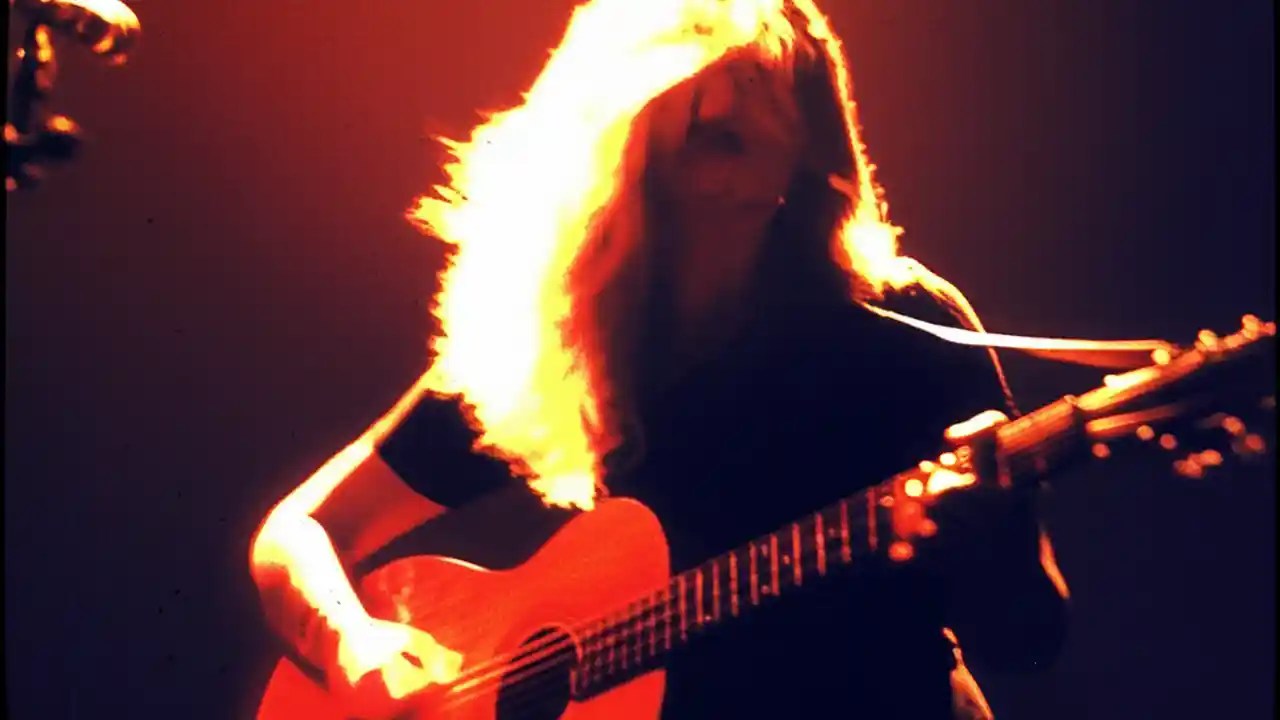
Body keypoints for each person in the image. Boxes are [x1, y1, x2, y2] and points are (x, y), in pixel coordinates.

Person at [250, 1, 1069, 717]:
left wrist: (991, 540)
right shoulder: (557, 340)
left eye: (750, 96)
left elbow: (1030, 638)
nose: (721, 91)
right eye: (687, 105)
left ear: (808, 149)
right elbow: (299, 532)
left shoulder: (901, 328)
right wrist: (356, 645)